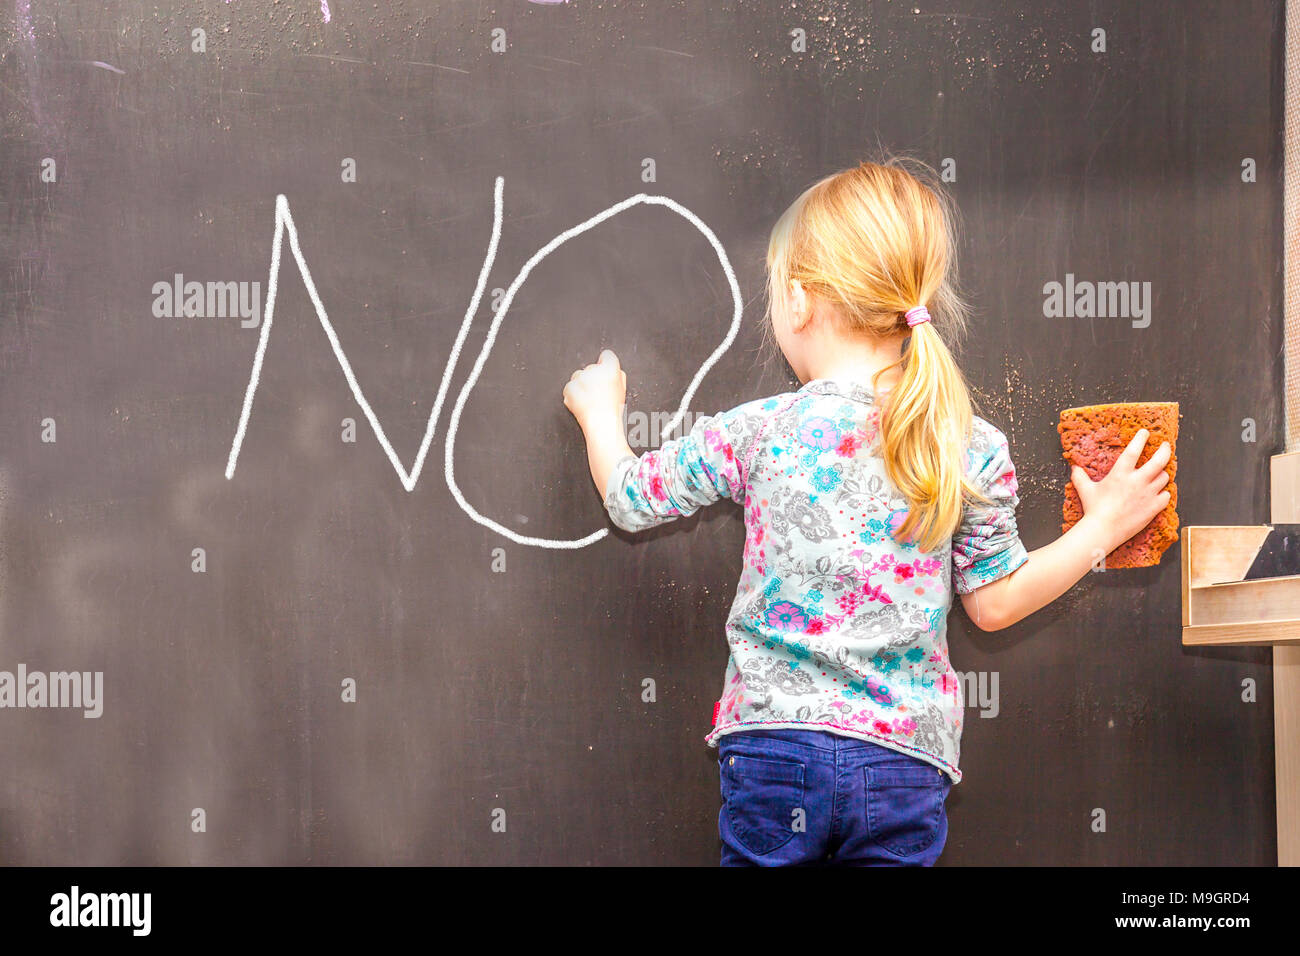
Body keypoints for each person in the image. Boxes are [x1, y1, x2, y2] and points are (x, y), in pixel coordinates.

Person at [562, 157, 1171, 866]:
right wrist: (1102, 529)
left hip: (773, 748)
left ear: (798, 301)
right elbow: (996, 603)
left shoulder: (758, 429)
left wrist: (600, 415)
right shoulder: (966, 443)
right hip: (903, 763)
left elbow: (632, 501)